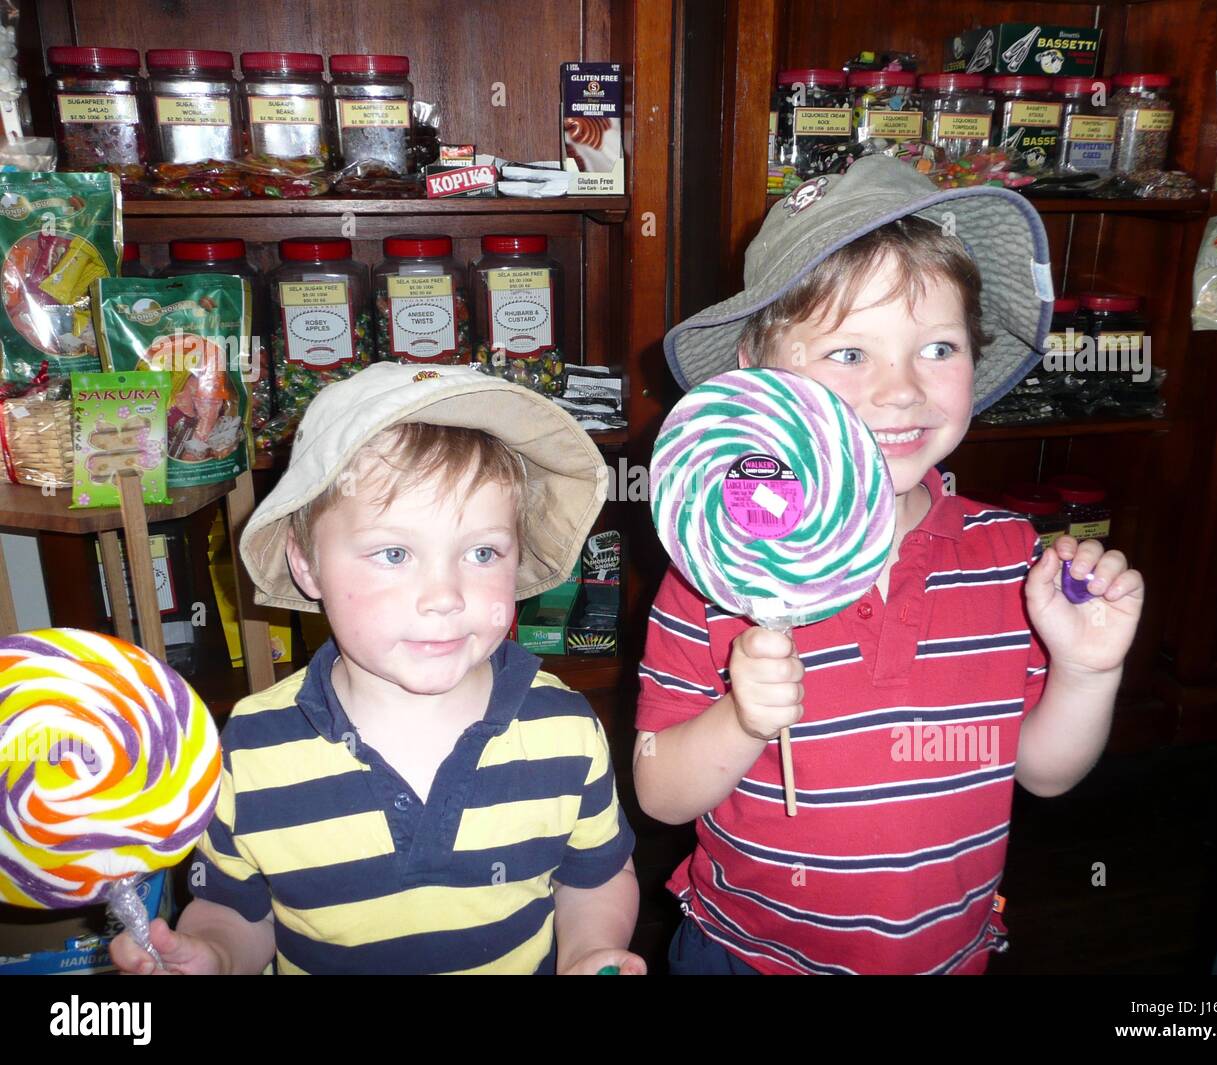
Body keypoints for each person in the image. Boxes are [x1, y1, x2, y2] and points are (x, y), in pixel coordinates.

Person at [635, 156, 1145, 974]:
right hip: (746, 954)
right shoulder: (718, 566)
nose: (902, 390)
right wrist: (740, 720)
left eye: (937, 347)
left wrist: (1087, 670)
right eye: (849, 354)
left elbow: (1045, 775)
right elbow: (661, 793)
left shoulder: (1012, 556)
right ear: (758, 380)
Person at [111, 362, 641, 975]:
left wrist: (591, 951)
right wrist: (213, 955)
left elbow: (596, 878)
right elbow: (232, 911)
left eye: (481, 551)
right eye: (394, 553)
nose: (444, 595)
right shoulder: (248, 747)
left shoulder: (566, 728)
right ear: (307, 565)